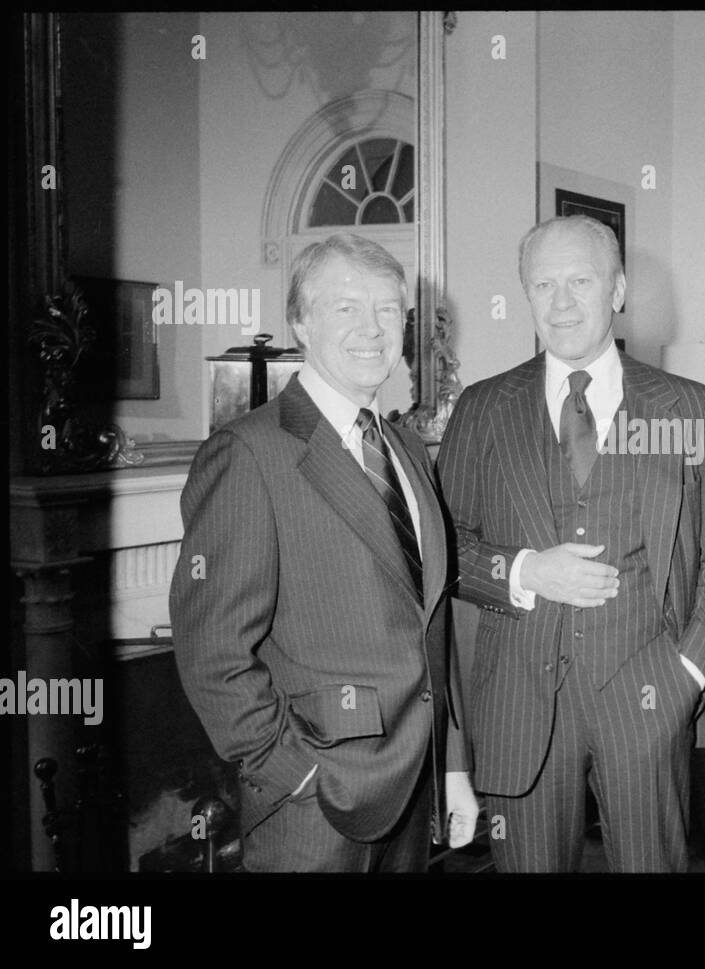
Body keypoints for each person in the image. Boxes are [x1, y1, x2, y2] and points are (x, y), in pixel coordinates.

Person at [437, 215, 705, 872]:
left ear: (619, 289)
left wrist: (686, 673)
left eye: (580, 280)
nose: (561, 302)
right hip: (519, 706)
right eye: (542, 284)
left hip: (648, 698)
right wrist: (523, 569)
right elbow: (439, 551)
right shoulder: (483, 408)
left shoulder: (687, 409)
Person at [170, 232, 478, 872]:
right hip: (316, 807)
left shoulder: (407, 448)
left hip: (413, 789)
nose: (372, 329)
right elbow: (212, 652)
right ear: (300, 323)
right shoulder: (248, 454)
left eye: (388, 310)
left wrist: (451, 766)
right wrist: (297, 773)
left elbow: (429, 625)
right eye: (346, 308)